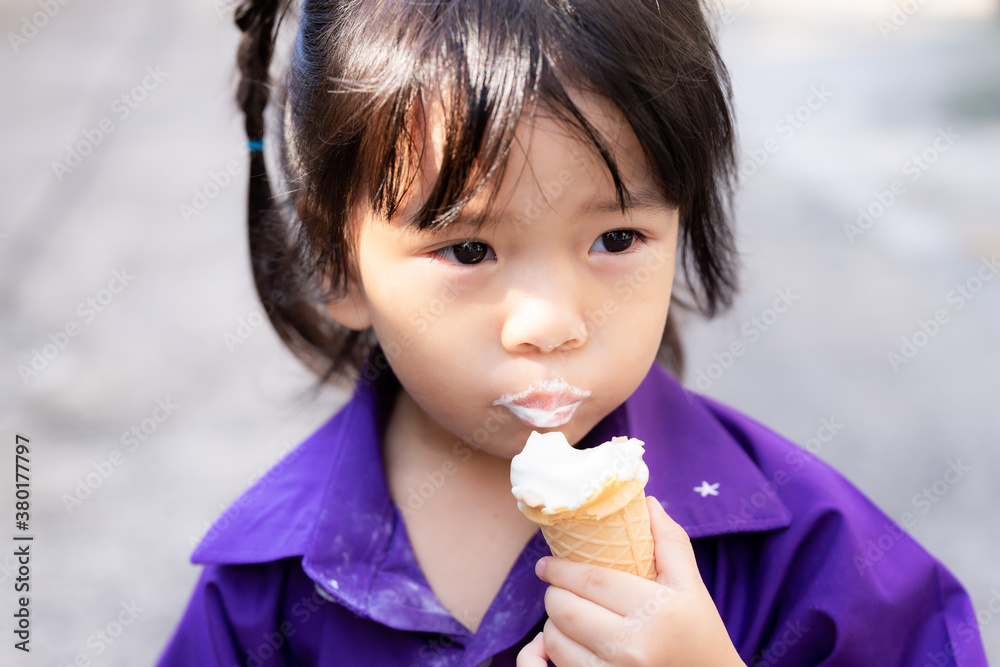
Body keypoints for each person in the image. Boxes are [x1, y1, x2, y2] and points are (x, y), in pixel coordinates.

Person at [158, 0, 989, 665]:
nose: (552, 323)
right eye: (470, 249)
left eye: (615, 239)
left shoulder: (808, 552)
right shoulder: (264, 592)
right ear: (339, 263)